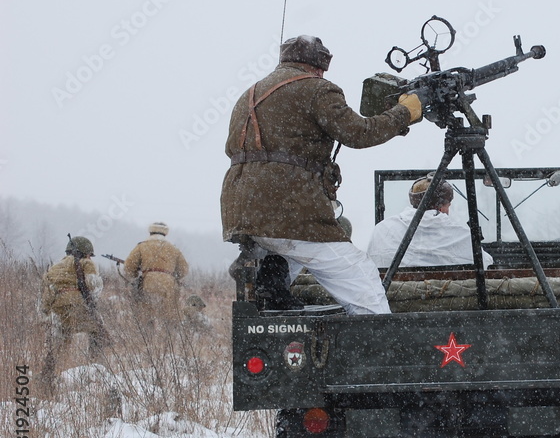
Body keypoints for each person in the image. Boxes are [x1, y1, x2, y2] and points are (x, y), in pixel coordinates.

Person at [221, 35, 422, 315]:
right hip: (288, 208)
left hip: (243, 208)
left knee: (286, 257)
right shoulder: (317, 89)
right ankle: (378, 347)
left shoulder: (251, 93)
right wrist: (404, 113)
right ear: (318, 67)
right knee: (359, 276)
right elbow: (359, 133)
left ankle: (273, 301)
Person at [367, 176, 494, 268]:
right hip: (451, 301)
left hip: (395, 299)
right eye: (448, 206)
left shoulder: (382, 230)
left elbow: (373, 265)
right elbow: (486, 264)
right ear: (440, 207)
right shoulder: (462, 235)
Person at [39, 236, 109, 388]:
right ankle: (95, 367)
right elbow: (93, 285)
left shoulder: (55, 267)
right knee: (98, 332)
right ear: (85, 253)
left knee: (59, 345)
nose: (90, 257)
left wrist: (44, 314)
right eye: (90, 254)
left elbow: (44, 294)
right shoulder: (86, 263)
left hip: (55, 309)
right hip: (76, 306)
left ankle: (50, 376)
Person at [124, 222, 189, 316]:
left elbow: (128, 267)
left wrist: (136, 274)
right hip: (169, 286)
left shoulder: (141, 246)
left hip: (148, 283)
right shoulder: (173, 249)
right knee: (169, 317)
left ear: (150, 232)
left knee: (146, 316)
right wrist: (173, 277)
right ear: (165, 233)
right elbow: (184, 270)